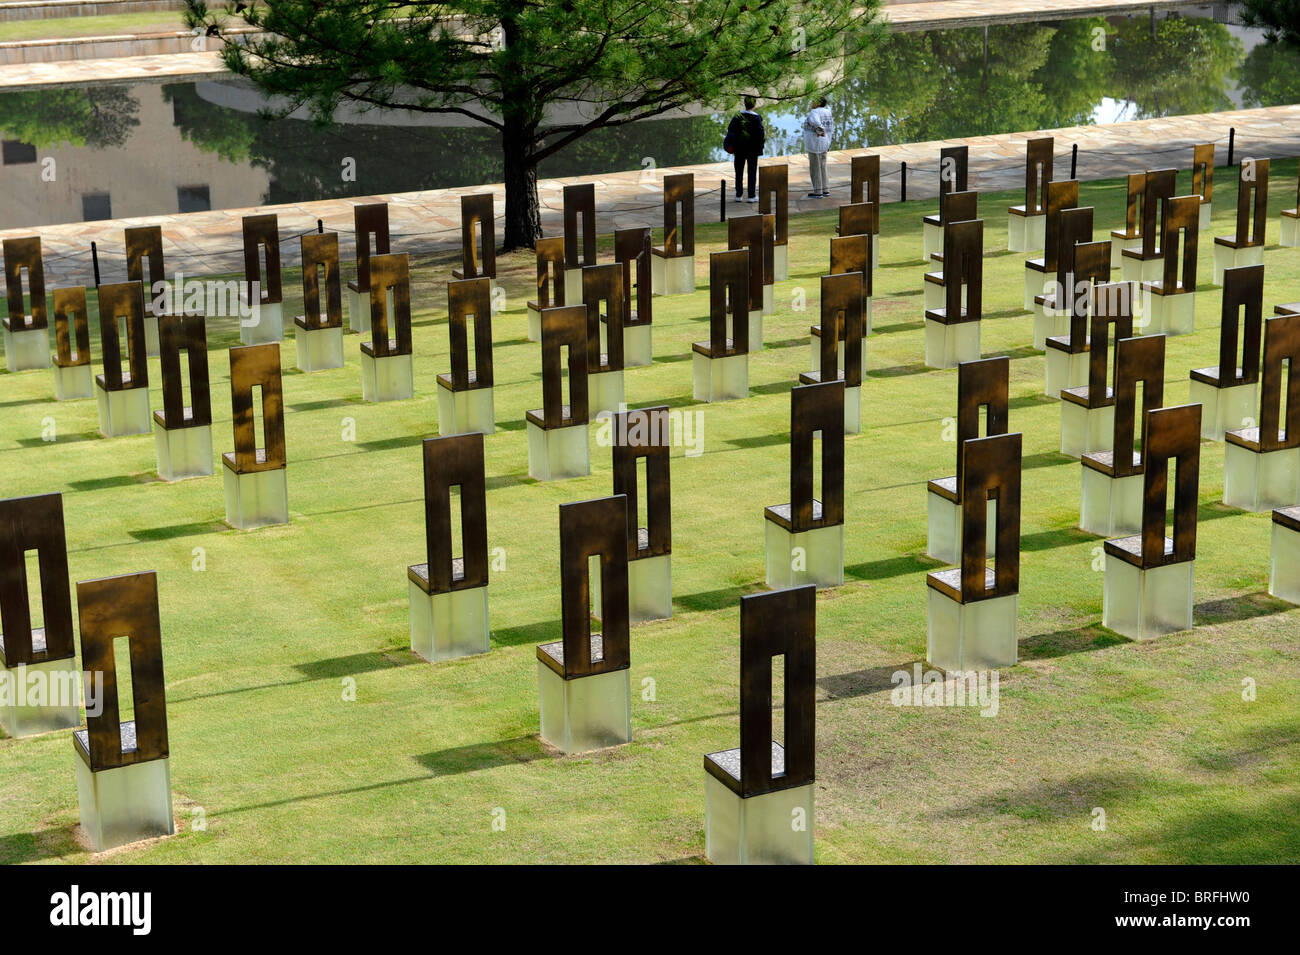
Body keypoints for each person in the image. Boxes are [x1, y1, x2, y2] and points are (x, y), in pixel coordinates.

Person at [724, 96, 765, 202]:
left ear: (744, 104)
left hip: (739, 148)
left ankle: (738, 195)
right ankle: (751, 196)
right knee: (752, 172)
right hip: (752, 150)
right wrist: (760, 148)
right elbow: (760, 135)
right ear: (754, 105)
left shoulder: (737, 116)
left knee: (738, 172)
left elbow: (730, 130)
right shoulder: (757, 118)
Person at [803, 96, 834, 198]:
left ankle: (818, 192)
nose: (811, 103)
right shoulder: (827, 112)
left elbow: (816, 122)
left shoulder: (814, 112)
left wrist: (821, 131)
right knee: (823, 166)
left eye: (813, 101)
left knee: (815, 167)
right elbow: (831, 127)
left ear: (817, 103)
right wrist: (828, 139)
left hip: (815, 143)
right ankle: (825, 189)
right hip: (825, 143)